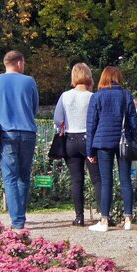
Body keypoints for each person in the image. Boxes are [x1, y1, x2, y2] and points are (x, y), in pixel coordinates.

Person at [0, 50, 39, 230]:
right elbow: (34, 108)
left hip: (6, 133)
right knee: (24, 176)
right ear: (18, 63)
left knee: (10, 177)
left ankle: (17, 220)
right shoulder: (29, 81)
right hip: (27, 132)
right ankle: (20, 216)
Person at [86, 66, 137, 232]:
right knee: (125, 180)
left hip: (103, 143)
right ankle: (128, 218)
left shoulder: (97, 96)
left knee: (106, 181)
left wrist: (90, 151)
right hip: (123, 142)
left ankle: (104, 220)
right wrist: (136, 141)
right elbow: (134, 122)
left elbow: (91, 125)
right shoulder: (125, 95)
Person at [53, 63, 102, 226]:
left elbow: (58, 119)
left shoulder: (65, 96)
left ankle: (79, 216)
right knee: (96, 178)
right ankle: (103, 214)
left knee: (76, 180)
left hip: (70, 139)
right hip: (88, 138)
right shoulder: (92, 96)